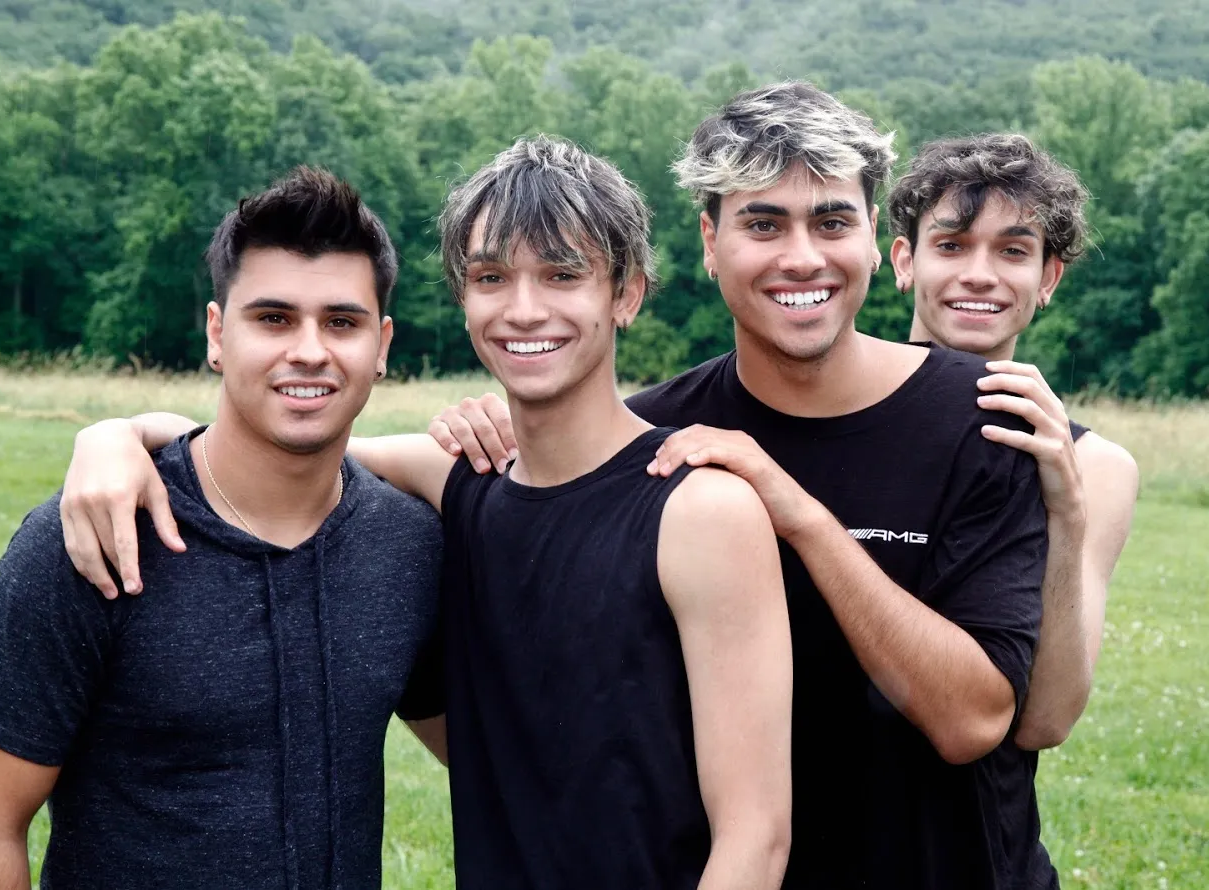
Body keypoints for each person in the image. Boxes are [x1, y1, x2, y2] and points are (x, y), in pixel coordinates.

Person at [56, 137, 794, 889]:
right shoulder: (459, 482)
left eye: (562, 275)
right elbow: (282, 446)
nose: (523, 308)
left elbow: (755, 839)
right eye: (491, 277)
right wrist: (118, 435)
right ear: (461, 295)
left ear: (626, 293)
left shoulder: (699, 509)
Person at [424, 82, 1061, 888]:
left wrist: (802, 517)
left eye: (831, 221)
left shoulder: (978, 423)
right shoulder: (658, 441)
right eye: (763, 223)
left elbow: (974, 718)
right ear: (709, 241)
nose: (801, 257)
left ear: (874, 240)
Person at [0, 167, 445, 889]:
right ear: (216, 333)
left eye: (342, 322)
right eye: (273, 318)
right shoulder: (91, 538)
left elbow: (489, 753)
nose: (310, 350)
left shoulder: (406, 547)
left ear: (381, 345)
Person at [887, 133, 1139, 750]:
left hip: (977, 838)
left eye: (1012, 251)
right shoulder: (835, 413)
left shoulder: (1097, 468)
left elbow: (1046, 721)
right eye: (950, 246)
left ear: (1048, 276)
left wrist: (1067, 514)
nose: (980, 275)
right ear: (904, 261)